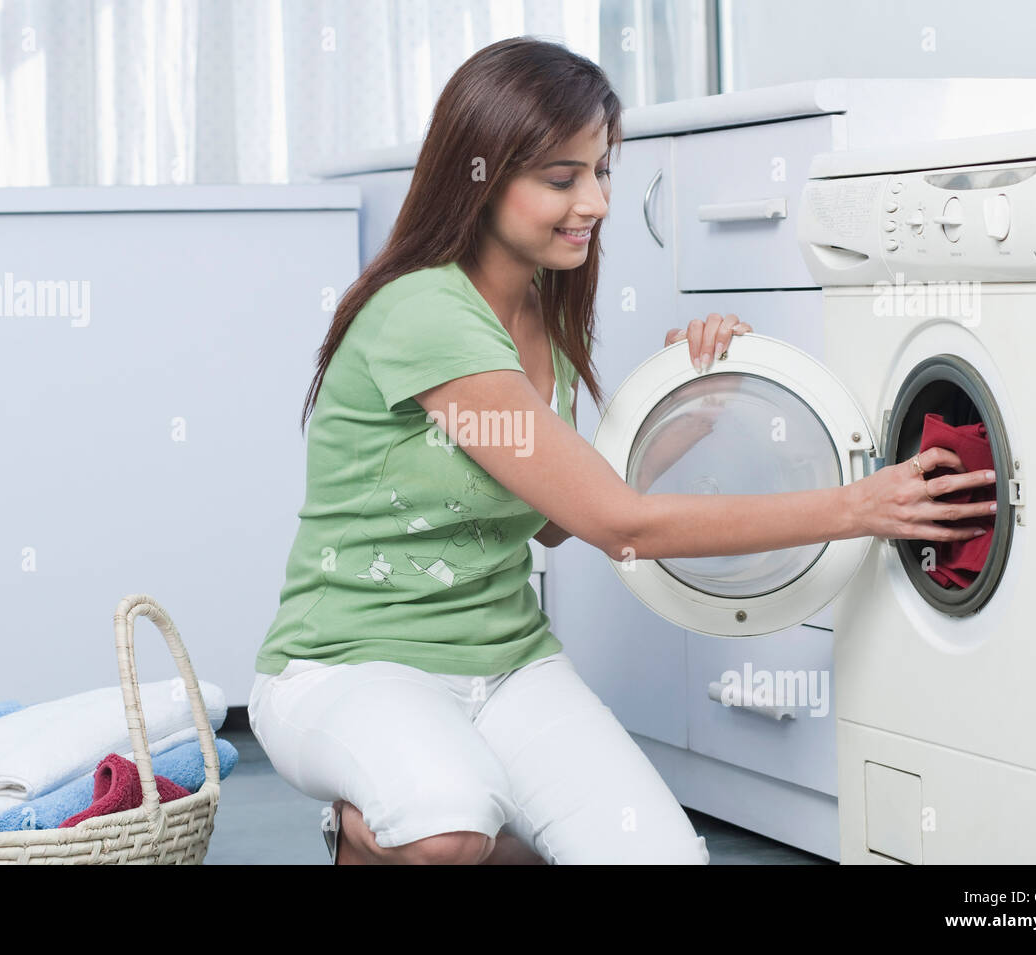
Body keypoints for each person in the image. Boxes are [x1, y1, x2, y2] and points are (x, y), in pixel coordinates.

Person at [247, 37, 998, 865]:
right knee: (445, 825)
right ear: (482, 175)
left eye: (603, 171)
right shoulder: (423, 312)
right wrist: (856, 508)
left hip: (505, 664)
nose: (597, 201)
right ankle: (368, 826)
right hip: (348, 663)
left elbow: (555, 523)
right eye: (563, 178)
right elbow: (616, 523)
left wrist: (693, 400)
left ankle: (431, 807)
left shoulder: (541, 318)